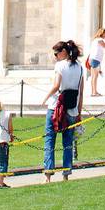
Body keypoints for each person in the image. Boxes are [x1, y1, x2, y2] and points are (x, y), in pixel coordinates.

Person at [42, 40, 84, 181]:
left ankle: (48, 175)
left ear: (63, 52)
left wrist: (45, 98)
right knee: (67, 143)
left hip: (56, 106)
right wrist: (79, 112)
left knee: (49, 140)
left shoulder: (60, 65)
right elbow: (80, 92)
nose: (55, 56)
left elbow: (56, 86)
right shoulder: (79, 67)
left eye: (56, 53)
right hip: (72, 108)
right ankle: (66, 174)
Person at [87, 29, 105, 97]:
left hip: (93, 59)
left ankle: (94, 92)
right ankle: (94, 92)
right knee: (95, 77)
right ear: (102, 33)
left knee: (93, 77)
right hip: (95, 59)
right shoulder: (99, 40)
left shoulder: (95, 40)